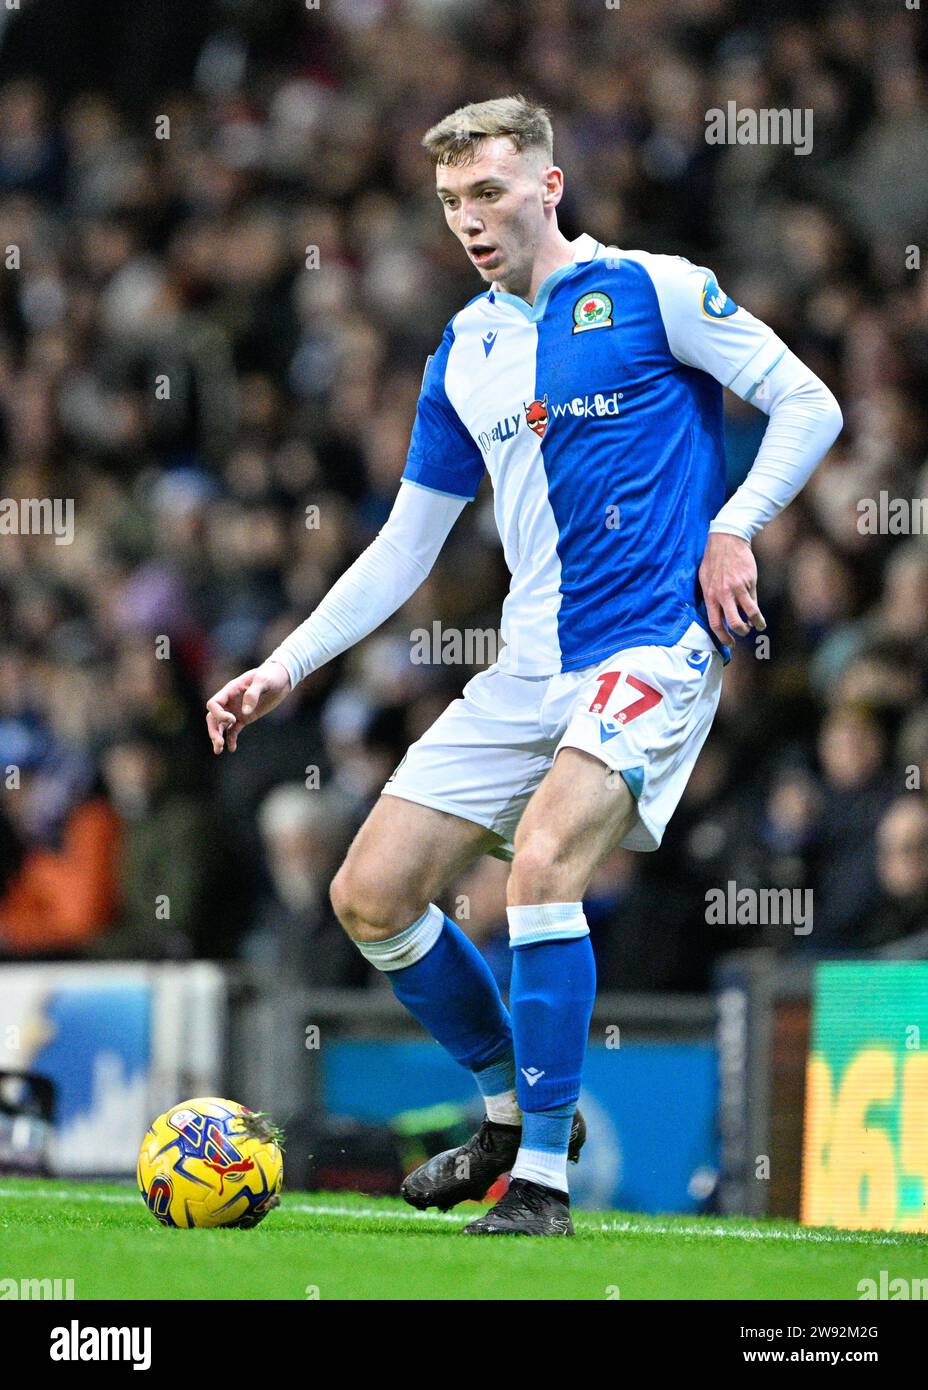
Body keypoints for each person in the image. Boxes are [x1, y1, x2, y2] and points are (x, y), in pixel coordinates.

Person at [206, 96, 843, 1235]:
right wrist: (284, 666)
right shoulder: (464, 348)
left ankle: (540, 1182)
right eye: (451, 201)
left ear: (549, 185)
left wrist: (736, 522)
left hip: (649, 643)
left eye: (489, 192)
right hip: (526, 665)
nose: (469, 218)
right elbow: (409, 540)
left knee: (542, 867)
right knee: (370, 892)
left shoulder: (652, 288)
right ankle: (509, 1110)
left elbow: (808, 399)